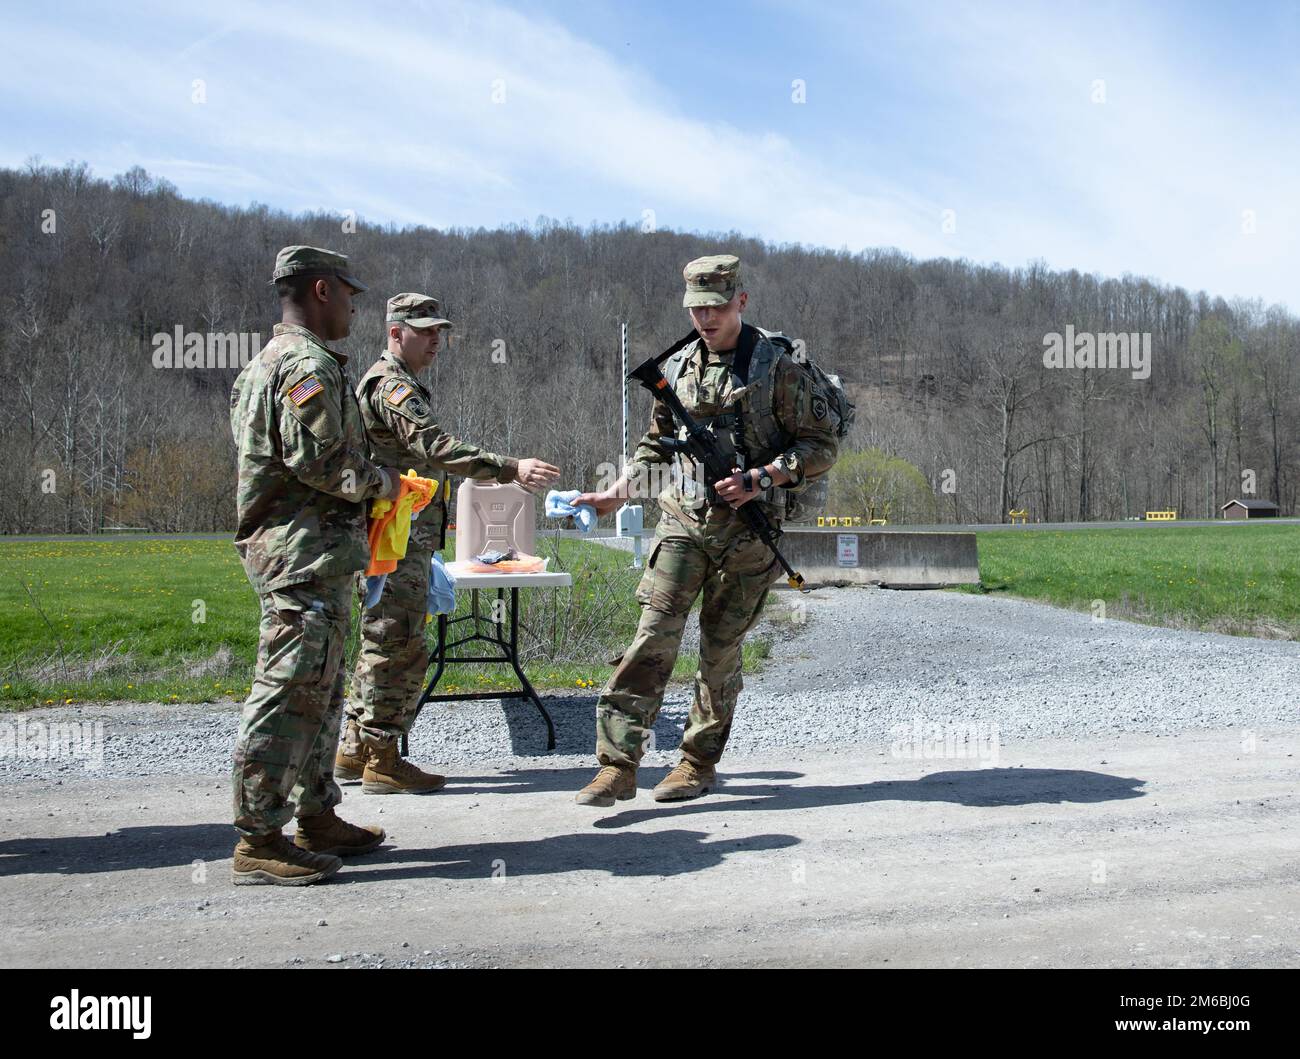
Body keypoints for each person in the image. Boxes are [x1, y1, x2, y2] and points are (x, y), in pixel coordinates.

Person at [573, 254, 839, 806]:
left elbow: (820, 447)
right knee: (652, 637)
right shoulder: (675, 369)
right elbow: (655, 446)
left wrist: (763, 477)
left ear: (740, 301)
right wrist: (611, 496)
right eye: (696, 308)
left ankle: (696, 762)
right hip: (682, 521)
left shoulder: (778, 368)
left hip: (748, 530)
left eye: (716, 306)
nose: (705, 318)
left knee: (719, 652)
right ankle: (617, 765)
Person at [335, 292, 560, 793]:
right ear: (396, 332)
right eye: (426, 330)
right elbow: (434, 446)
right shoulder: (393, 387)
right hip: (395, 539)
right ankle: (382, 758)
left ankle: (354, 748)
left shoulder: (391, 382)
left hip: (395, 536)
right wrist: (510, 467)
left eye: (441, 331)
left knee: (382, 638)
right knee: (400, 645)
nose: (437, 340)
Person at [228, 245, 403, 885]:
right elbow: (323, 465)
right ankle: (259, 836)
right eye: (351, 293)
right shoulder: (305, 367)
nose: (356, 304)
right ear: (323, 290)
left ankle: (316, 814)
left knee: (324, 692)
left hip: (314, 554)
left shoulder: (271, 365)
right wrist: (385, 483)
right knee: (289, 692)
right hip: (301, 555)